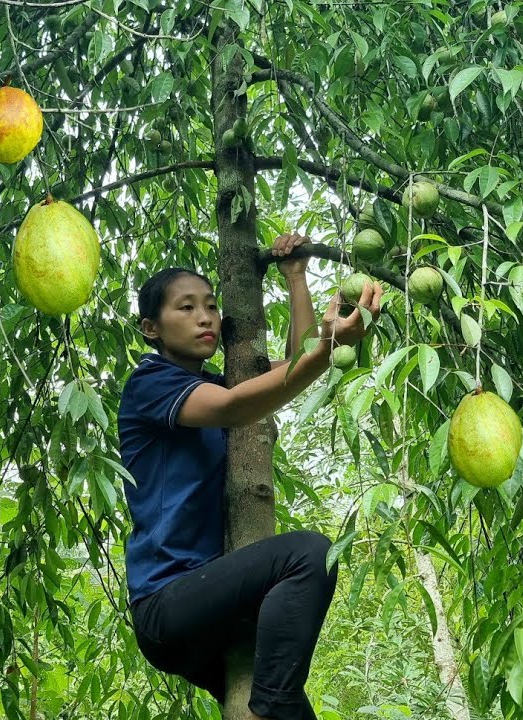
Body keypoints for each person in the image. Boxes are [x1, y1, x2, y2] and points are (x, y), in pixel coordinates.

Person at [117, 232, 383, 720]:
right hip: (168, 606)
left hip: (216, 615)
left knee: (295, 712)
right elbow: (240, 405)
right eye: (187, 308)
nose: (206, 317)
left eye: (212, 306)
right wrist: (328, 348)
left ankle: (273, 705)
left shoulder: (211, 384)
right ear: (150, 329)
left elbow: (287, 367)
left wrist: (296, 278)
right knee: (308, 555)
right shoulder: (150, 384)